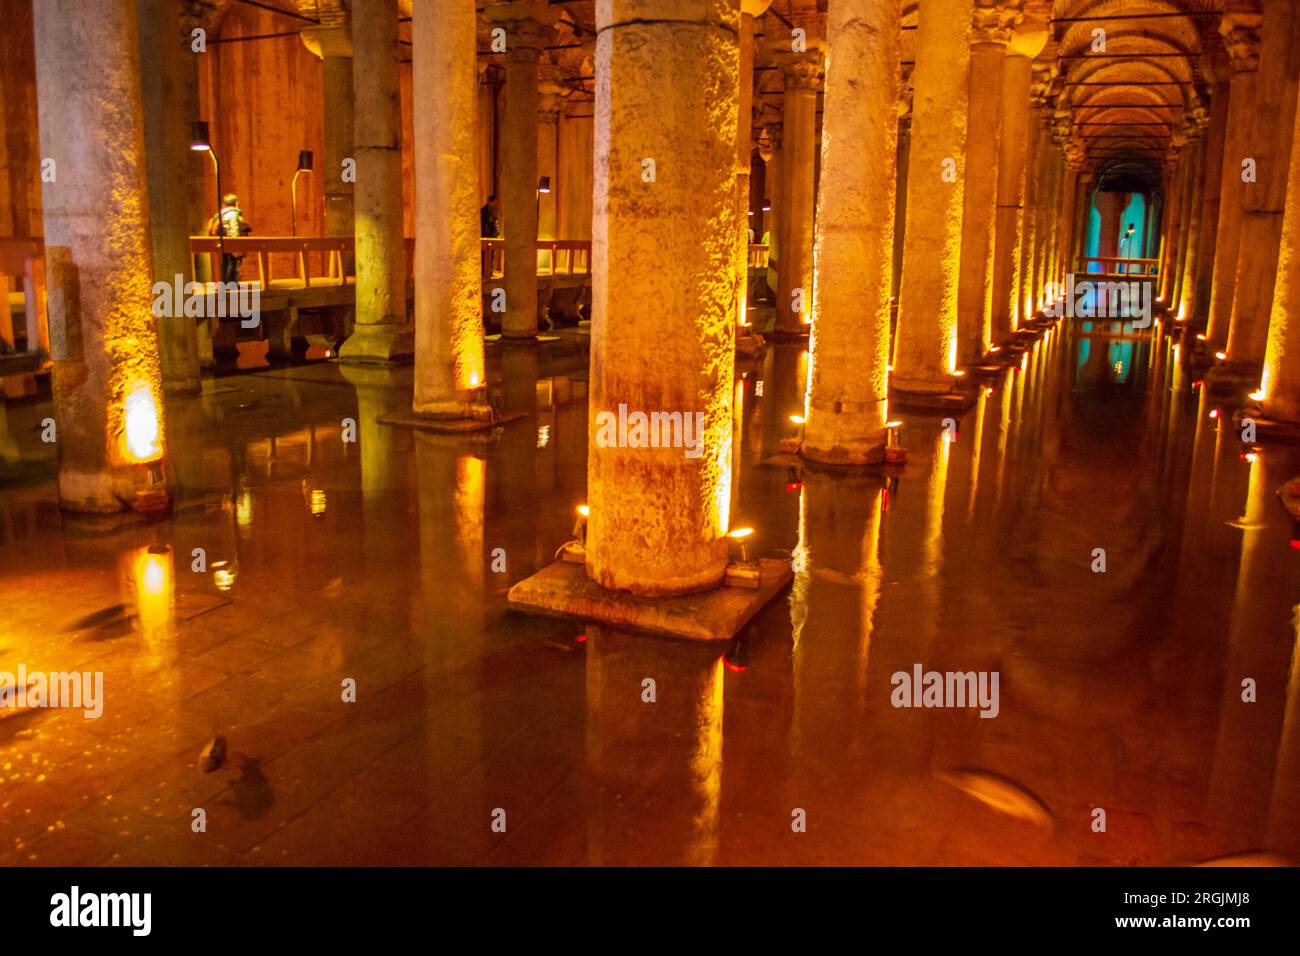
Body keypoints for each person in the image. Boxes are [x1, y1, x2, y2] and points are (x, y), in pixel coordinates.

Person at [207, 193, 252, 284]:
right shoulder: (233, 213)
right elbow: (234, 228)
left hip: (221, 241)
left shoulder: (219, 214)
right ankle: (231, 284)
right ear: (235, 203)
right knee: (233, 262)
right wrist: (236, 243)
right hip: (231, 241)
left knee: (225, 263)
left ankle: (224, 283)